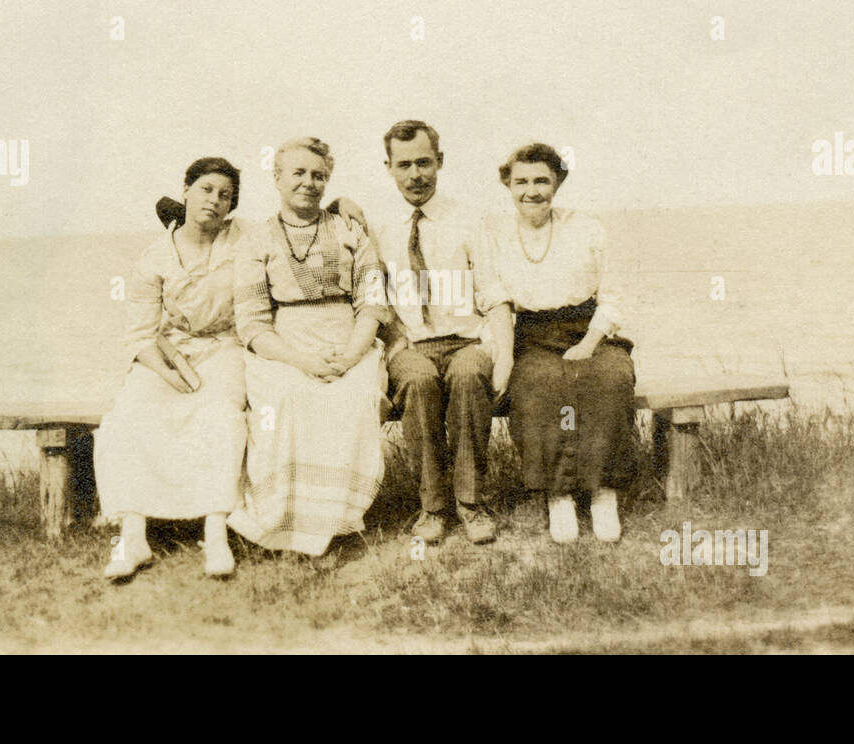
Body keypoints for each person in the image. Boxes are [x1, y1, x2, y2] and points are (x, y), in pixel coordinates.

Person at [227, 137, 391, 557]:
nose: (308, 182)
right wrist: (301, 361)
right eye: (298, 173)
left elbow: (372, 299)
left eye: (319, 175)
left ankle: (338, 521)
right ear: (278, 178)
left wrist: (353, 354)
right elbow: (252, 323)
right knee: (288, 396)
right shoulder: (256, 241)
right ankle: (281, 521)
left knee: (353, 398)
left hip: (349, 341)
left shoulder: (349, 230)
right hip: (285, 349)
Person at [94, 157, 248, 579]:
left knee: (220, 414)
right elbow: (141, 336)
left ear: (231, 206)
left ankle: (215, 534)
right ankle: (133, 536)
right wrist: (169, 374)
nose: (214, 201)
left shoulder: (243, 241)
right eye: (206, 190)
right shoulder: (154, 257)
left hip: (226, 347)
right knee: (129, 414)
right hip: (169, 354)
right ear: (186, 191)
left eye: (225, 196)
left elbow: (293, 221)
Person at [480, 143, 636, 543]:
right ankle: (559, 494)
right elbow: (492, 296)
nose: (531, 191)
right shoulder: (494, 234)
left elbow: (614, 295)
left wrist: (589, 342)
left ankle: (603, 492)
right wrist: (503, 354)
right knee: (540, 385)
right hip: (531, 335)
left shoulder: (587, 228)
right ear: (507, 184)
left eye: (542, 181)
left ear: (558, 183)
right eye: (521, 182)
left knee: (610, 378)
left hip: (589, 329)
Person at [370, 120, 513, 544]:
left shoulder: (468, 219)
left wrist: (504, 356)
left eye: (424, 163)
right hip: (410, 344)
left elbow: (493, 293)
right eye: (404, 165)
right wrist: (395, 346)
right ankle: (432, 507)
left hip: (467, 341)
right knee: (417, 381)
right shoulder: (378, 227)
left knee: (469, 376)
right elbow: (374, 299)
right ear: (389, 168)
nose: (415, 174)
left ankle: (471, 503)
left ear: (440, 162)